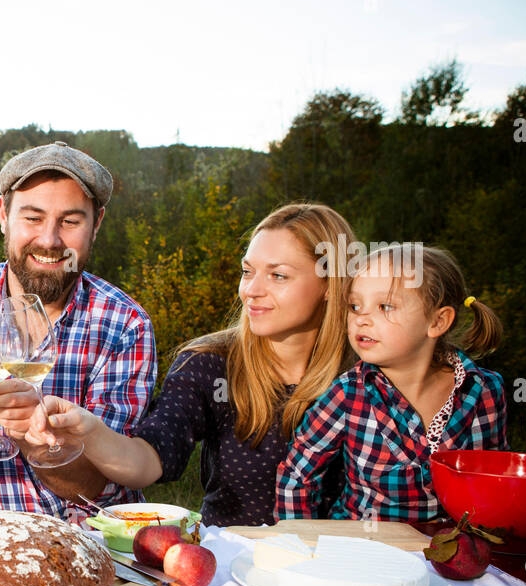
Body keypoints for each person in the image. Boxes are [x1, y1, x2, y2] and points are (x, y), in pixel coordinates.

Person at [28, 203, 356, 526]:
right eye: (247, 272)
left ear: (330, 284)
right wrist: (91, 431)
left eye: (278, 275)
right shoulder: (209, 365)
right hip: (232, 569)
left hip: (344, 569)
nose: (251, 291)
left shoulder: (369, 376)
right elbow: (150, 460)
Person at [0, 141, 157, 518]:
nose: (49, 240)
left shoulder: (125, 325)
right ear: (3, 214)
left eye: (70, 221)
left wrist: (33, 439)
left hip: (92, 540)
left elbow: (95, 484)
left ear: (97, 224)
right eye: (33, 218)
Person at [276, 245, 507, 522]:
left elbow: (495, 481)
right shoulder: (348, 394)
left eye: (385, 307)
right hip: (362, 549)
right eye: (355, 306)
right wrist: (299, 546)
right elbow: (297, 476)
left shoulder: (484, 391)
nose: (361, 319)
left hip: (449, 551)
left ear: (438, 321)